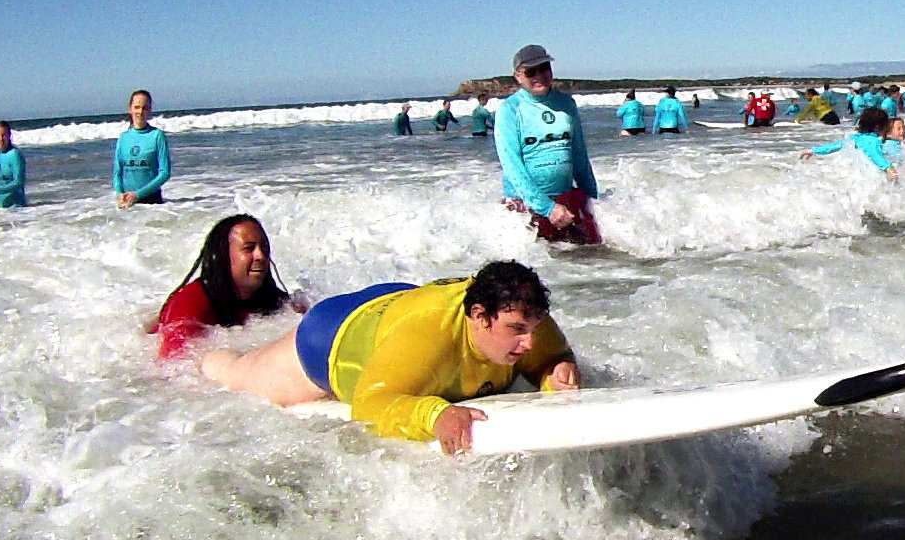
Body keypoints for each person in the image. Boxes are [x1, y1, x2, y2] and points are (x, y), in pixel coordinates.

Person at [200, 259, 578, 453]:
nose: (529, 342)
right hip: (331, 337)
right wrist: (435, 415)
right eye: (516, 332)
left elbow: (552, 355)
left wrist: (555, 370)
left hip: (400, 306)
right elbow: (369, 402)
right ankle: (193, 358)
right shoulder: (430, 338)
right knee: (237, 374)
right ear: (479, 317)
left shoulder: (522, 314)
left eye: (533, 330)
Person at [153, 213, 301, 359]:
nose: (260, 256)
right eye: (249, 248)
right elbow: (174, 365)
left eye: (264, 248)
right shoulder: (189, 303)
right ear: (223, 256)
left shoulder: (271, 298)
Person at [496, 43, 601, 244]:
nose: (539, 75)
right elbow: (512, 166)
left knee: (590, 260)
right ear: (518, 75)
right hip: (525, 205)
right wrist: (546, 207)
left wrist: (593, 199)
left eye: (544, 68)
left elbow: (579, 156)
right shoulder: (510, 109)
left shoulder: (566, 104)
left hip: (564, 200)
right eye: (531, 71)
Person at [801, 106, 901, 177]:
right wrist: (888, 168)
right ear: (878, 127)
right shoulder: (873, 141)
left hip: (855, 175)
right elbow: (875, 155)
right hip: (869, 177)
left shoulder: (855, 138)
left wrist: (813, 150)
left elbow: (834, 146)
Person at [115, 89, 172, 207]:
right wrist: (119, 193)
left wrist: (138, 195)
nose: (140, 111)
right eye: (136, 107)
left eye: (145, 108)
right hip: (127, 202)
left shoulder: (157, 135)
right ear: (130, 109)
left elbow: (165, 173)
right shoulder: (123, 138)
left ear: (150, 110)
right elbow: (117, 173)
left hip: (152, 203)